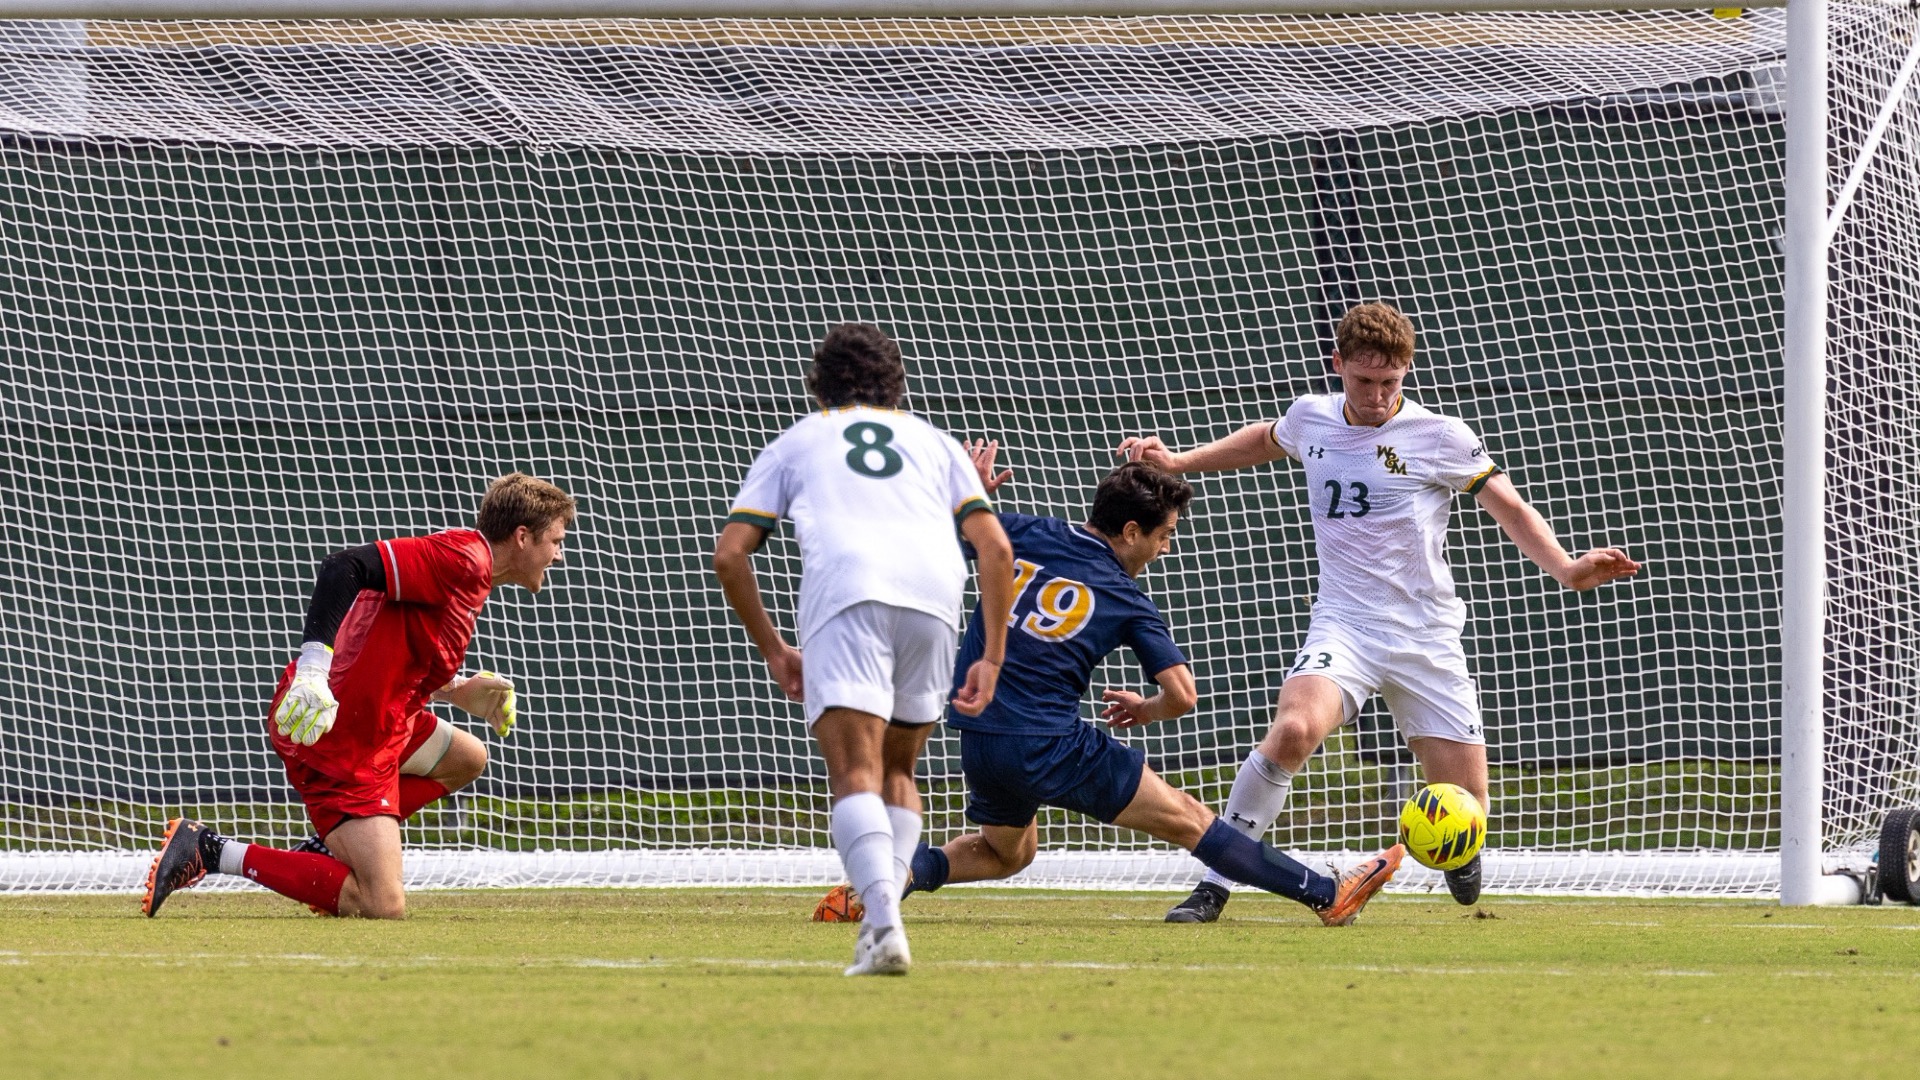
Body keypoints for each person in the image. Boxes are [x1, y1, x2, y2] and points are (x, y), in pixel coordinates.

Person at [1120, 302, 1642, 922]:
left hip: (1426, 635)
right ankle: (1214, 884)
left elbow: (1508, 505)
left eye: (1389, 382)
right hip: (1346, 624)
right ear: (1337, 365)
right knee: (1292, 730)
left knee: (1466, 809)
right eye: (1363, 381)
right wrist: (1179, 461)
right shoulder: (1311, 417)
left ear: (1406, 372)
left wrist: (1564, 567)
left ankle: (1460, 856)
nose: (1375, 395)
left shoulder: (1439, 435)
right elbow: (1267, 439)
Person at [815, 452, 1403, 927]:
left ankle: (885, 877)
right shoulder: (1126, 597)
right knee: (1192, 820)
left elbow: (937, 529)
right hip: (1050, 742)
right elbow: (1183, 694)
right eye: (1165, 535)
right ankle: (1326, 893)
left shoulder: (1024, 532)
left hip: (979, 738)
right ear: (1129, 531)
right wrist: (1145, 710)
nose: (1166, 547)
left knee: (1007, 853)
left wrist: (967, 494)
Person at [714, 323, 1015, 976]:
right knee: (898, 774)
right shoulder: (935, 443)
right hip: (936, 595)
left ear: (818, 383)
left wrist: (772, 648)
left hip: (848, 592)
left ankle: (881, 924)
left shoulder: (799, 440)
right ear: (895, 384)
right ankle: (887, 921)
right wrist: (991, 656)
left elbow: (730, 554)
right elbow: (996, 549)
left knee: (855, 772)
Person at [143, 472, 575, 919]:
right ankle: (210, 850)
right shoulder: (463, 558)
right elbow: (343, 567)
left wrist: (460, 691)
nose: (559, 555)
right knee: (381, 904)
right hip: (345, 739)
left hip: (384, 725)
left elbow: (391, 648)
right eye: (556, 541)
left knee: (469, 757)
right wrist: (313, 670)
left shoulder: (472, 572)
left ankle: (323, 850)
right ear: (523, 536)